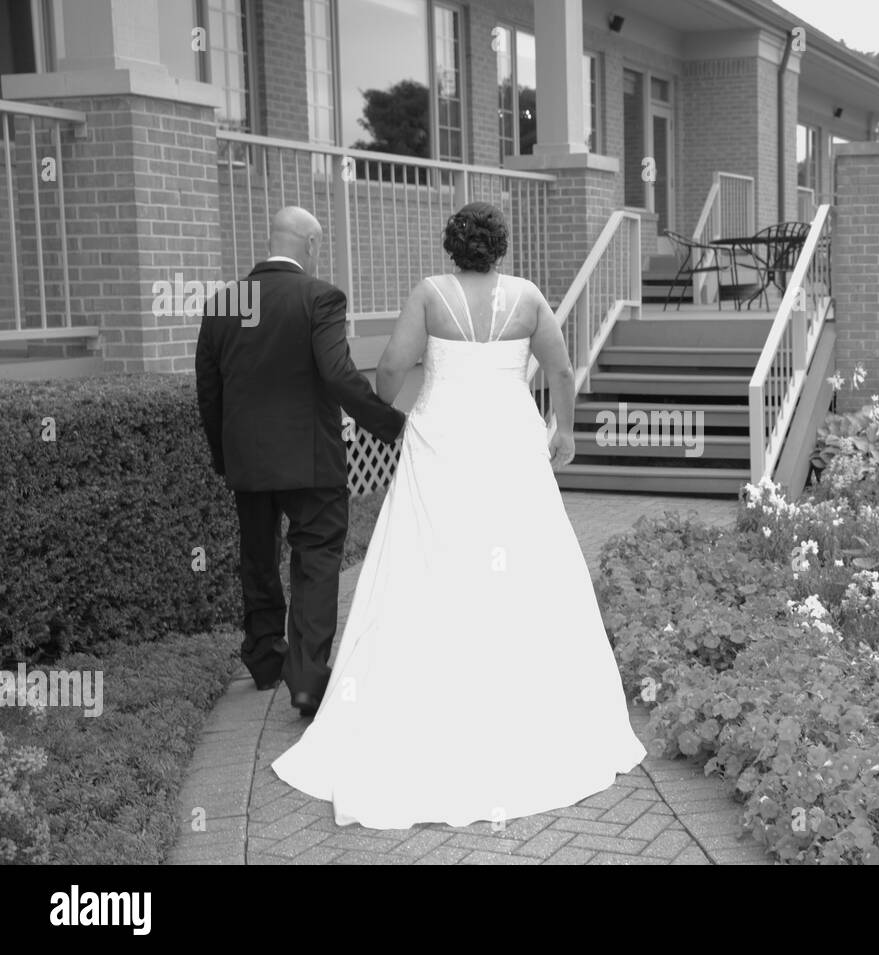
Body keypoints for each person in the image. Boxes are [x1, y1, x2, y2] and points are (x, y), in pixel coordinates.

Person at [270, 201, 647, 828]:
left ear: (452, 247)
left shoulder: (429, 293)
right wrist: (565, 431)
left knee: (428, 560)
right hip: (509, 444)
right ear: (499, 247)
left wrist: (393, 417)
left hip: (441, 439)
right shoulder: (527, 297)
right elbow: (558, 368)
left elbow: (391, 367)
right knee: (525, 563)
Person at [196, 206, 406, 716]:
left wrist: (226, 458)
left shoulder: (226, 302)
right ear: (310, 245)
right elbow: (337, 374)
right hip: (312, 461)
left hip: (250, 462)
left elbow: (209, 390)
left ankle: (266, 659)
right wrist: (392, 426)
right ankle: (308, 681)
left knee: (259, 559)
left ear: (273, 239)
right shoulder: (320, 297)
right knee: (315, 562)